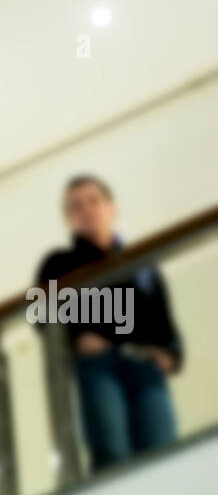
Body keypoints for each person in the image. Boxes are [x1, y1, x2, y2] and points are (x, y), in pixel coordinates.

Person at [34, 175, 182, 471]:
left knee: (163, 453)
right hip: (99, 366)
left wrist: (172, 355)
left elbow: (164, 317)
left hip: (145, 364)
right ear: (69, 218)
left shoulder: (139, 262)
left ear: (111, 208)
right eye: (76, 206)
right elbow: (39, 312)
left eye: (93, 201)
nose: (86, 209)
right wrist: (78, 336)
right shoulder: (59, 263)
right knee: (112, 454)